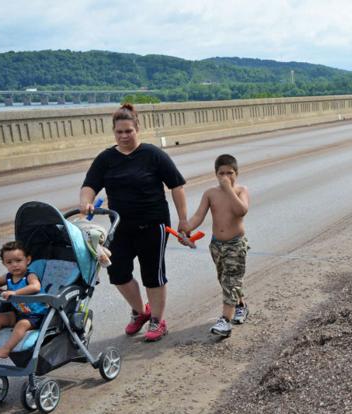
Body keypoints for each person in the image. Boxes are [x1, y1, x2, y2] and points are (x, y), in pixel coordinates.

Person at [79, 103, 189, 342]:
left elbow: (177, 186)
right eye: (119, 132)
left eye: (128, 131)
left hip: (153, 225)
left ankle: (158, 321)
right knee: (117, 273)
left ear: (137, 129)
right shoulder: (106, 158)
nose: (124, 136)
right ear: (114, 132)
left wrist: (183, 219)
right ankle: (140, 312)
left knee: (153, 275)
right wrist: (85, 201)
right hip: (120, 227)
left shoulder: (153, 155)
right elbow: (89, 185)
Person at [184, 153, 251, 338]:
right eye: (221, 173)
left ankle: (225, 321)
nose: (225, 177)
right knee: (225, 279)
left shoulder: (240, 191)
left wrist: (229, 189)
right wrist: (186, 228)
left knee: (231, 280)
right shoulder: (210, 194)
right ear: (215, 174)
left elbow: (241, 210)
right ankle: (241, 306)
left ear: (236, 173)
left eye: (230, 173)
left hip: (235, 245)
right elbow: (198, 216)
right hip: (216, 245)